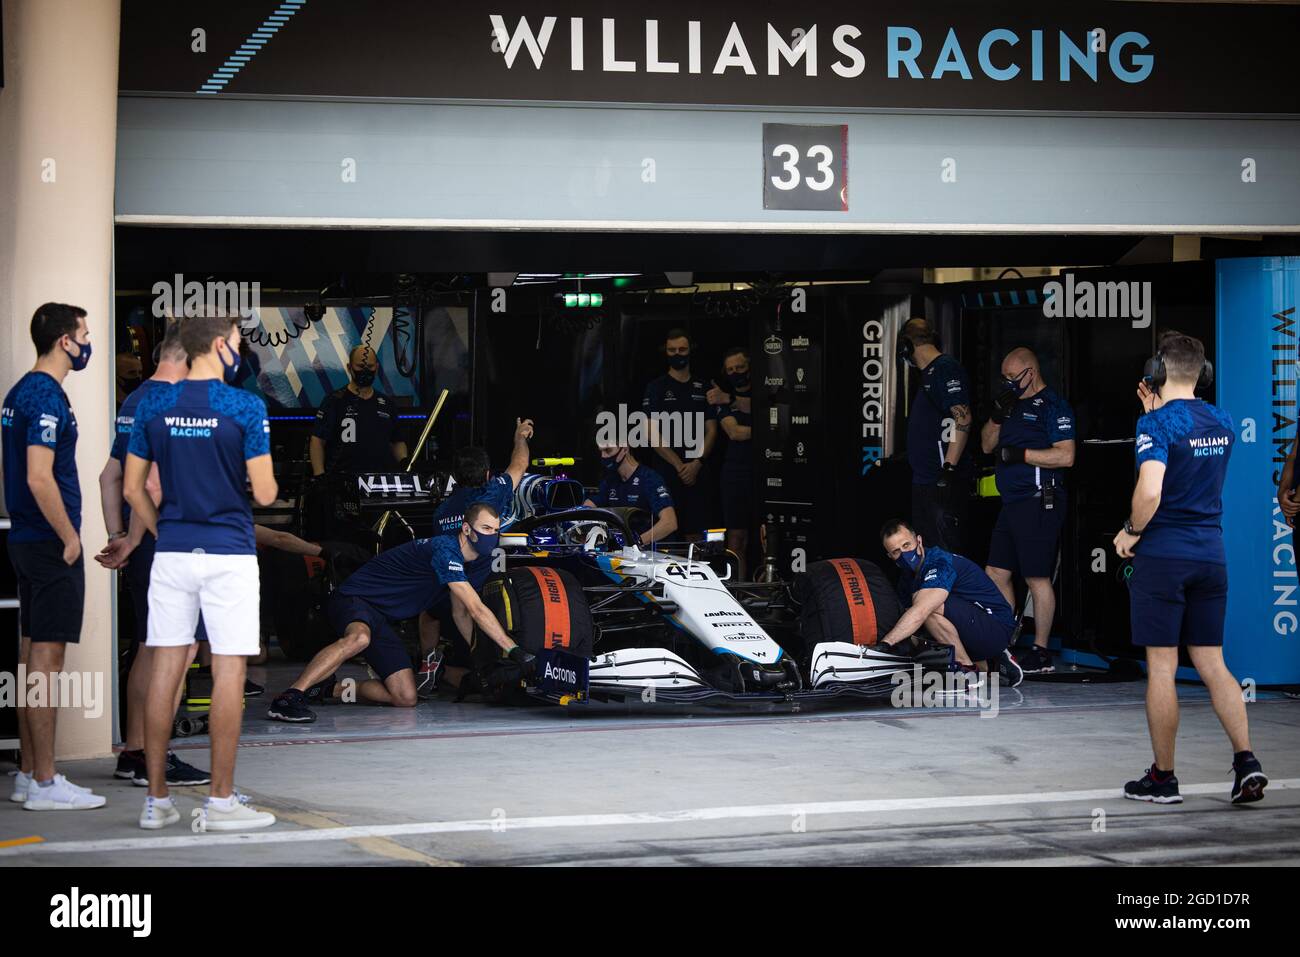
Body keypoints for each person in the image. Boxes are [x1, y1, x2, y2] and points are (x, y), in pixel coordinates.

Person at [124, 313, 279, 831]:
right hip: (229, 553)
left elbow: (131, 489)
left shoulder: (154, 403)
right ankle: (220, 803)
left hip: (172, 553)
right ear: (218, 345)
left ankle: (156, 801)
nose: (241, 353)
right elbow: (265, 494)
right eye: (237, 343)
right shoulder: (244, 406)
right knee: (229, 670)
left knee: (165, 667)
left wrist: (160, 531)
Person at [1112, 332, 1266, 806]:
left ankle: (1163, 777)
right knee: (1213, 662)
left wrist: (1130, 531)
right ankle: (1246, 761)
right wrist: (1154, 418)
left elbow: (1153, 489)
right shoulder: (1222, 420)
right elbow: (1193, 461)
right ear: (1204, 374)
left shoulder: (1156, 424)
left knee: (1163, 665)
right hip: (1210, 554)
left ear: (1156, 371)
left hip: (1164, 555)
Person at [266, 502, 532, 722]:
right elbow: (476, 608)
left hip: (381, 619)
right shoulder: (444, 549)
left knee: (405, 697)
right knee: (359, 638)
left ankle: (328, 689)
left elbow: (461, 613)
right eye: (485, 528)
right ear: (466, 528)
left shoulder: (478, 562)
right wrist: (513, 650)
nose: (491, 535)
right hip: (354, 598)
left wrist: (482, 660)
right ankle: (290, 697)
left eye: (495, 530)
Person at [96, 321, 209, 787]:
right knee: (178, 652)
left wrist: (120, 536)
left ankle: (134, 752)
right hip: (169, 544)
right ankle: (154, 759)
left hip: (143, 549)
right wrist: (140, 539)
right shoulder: (171, 401)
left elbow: (110, 477)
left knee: (149, 647)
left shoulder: (135, 399)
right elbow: (151, 483)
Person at [2, 302, 106, 810]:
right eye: (83, 334)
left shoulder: (22, 390)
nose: (88, 342)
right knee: (46, 661)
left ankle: (27, 774)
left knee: (30, 658)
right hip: (47, 543)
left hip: (27, 542)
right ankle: (45, 781)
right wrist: (69, 537)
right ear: (64, 340)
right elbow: (38, 476)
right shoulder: (43, 394)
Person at [414, 418, 533, 694]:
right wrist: (520, 438)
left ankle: (429, 662)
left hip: (454, 593)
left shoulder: (441, 512)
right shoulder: (493, 492)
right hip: (486, 591)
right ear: (489, 474)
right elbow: (520, 464)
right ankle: (485, 666)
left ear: (455, 477)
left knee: (428, 612)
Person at [980, 347, 1075, 675]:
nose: (1007, 382)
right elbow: (985, 445)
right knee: (996, 572)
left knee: (1036, 576)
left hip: (1040, 498)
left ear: (1031, 373)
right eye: (1003, 377)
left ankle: (1042, 650)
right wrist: (995, 416)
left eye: (1012, 377)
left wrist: (1020, 456)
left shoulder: (1054, 406)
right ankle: (1002, 641)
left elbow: (1066, 456)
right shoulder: (1007, 405)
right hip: (1011, 502)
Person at [877, 519, 1022, 686]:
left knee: (927, 607)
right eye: (896, 551)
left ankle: (967, 670)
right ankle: (991, 664)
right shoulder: (906, 578)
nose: (904, 554)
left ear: (919, 541)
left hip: (996, 628)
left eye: (906, 545)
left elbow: (922, 610)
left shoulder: (939, 563)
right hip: (972, 628)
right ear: (890, 556)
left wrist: (885, 645)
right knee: (913, 629)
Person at [897, 318, 973, 553]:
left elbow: (963, 417)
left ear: (906, 346)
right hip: (926, 480)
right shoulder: (930, 373)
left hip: (938, 482)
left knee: (944, 556)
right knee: (928, 554)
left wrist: (948, 471)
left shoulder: (945, 368)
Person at [643, 328, 718, 539]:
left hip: (699, 471)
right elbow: (651, 434)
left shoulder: (703, 387)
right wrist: (680, 466)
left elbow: (712, 430)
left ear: (690, 350)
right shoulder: (655, 387)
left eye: (682, 349)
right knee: (668, 534)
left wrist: (696, 463)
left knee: (697, 535)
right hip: (667, 473)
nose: (677, 354)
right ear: (665, 352)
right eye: (672, 350)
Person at [309, 345, 408, 476]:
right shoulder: (334, 401)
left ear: (377, 368)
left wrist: (404, 463)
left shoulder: (387, 404)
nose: (365, 371)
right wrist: (319, 476)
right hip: (343, 481)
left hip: (380, 481)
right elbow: (317, 441)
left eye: (370, 366)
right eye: (360, 367)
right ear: (349, 368)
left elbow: (397, 441)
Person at [707, 346, 755, 578]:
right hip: (735, 474)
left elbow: (773, 409)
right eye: (731, 369)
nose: (736, 372)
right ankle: (740, 592)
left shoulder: (765, 392)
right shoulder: (720, 397)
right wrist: (766, 430)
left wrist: (734, 400)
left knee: (768, 536)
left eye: (740, 367)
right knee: (736, 539)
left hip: (765, 472)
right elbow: (735, 432)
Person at [583, 444, 678, 546]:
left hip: (652, 553)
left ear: (624, 449)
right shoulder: (610, 480)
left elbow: (670, 523)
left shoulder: (649, 479)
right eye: (601, 451)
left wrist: (635, 542)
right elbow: (588, 506)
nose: (603, 456)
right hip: (621, 551)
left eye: (608, 450)